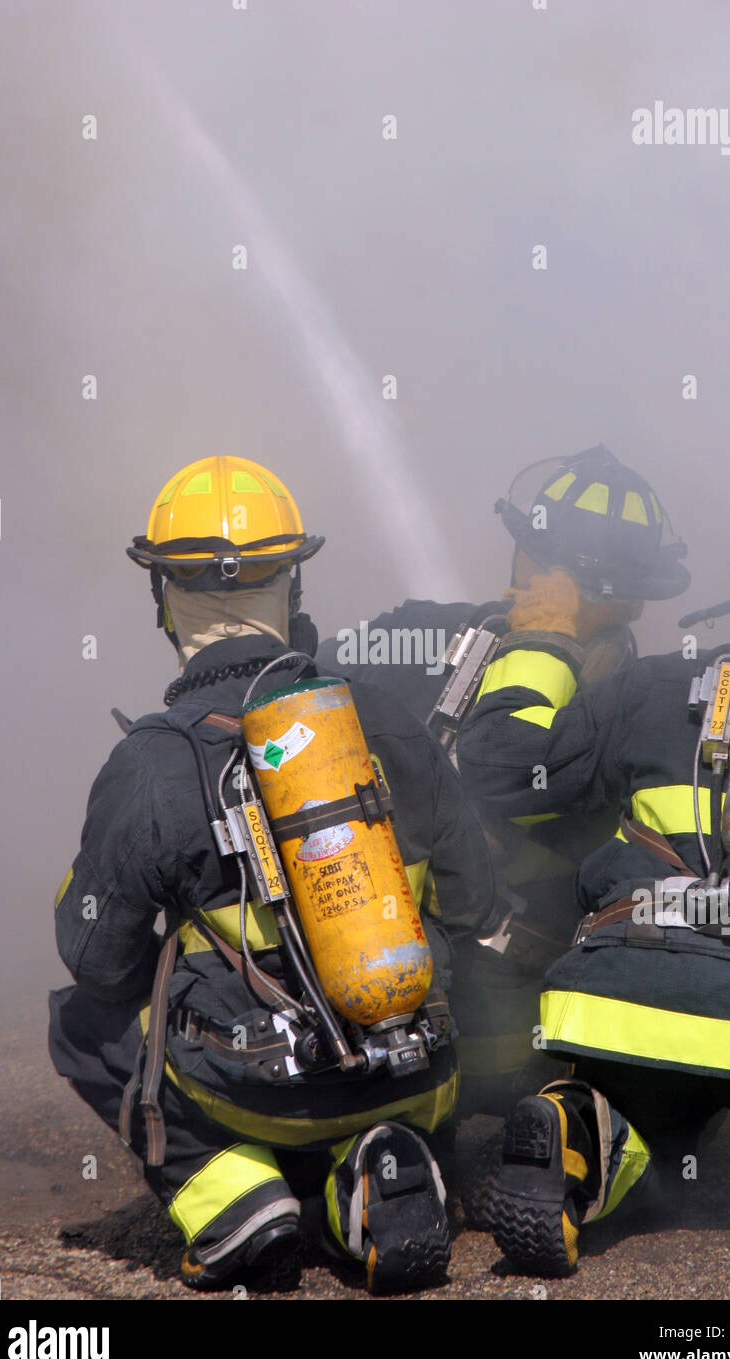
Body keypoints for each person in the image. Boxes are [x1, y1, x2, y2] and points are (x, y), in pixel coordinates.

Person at [49, 454, 495, 1295]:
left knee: (77, 1020)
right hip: (411, 1067)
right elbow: (477, 904)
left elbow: (98, 963)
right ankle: (373, 1172)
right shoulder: (388, 722)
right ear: (291, 585)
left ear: (162, 596)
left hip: (257, 1093)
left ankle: (231, 1194)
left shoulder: (151, 761)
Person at [458, 487, 730, 1278]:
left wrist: (546, 637)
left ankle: (579, 1130)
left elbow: (499, 773)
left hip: (625, 1000)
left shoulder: (652, 685)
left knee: (643, 1117)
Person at [320, 444, 690, 1117]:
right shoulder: (422, 638)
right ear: (637, 598)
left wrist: (545, 641)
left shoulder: (630, 703)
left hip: (481, 1031)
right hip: (403, 1010)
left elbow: (508, 778)